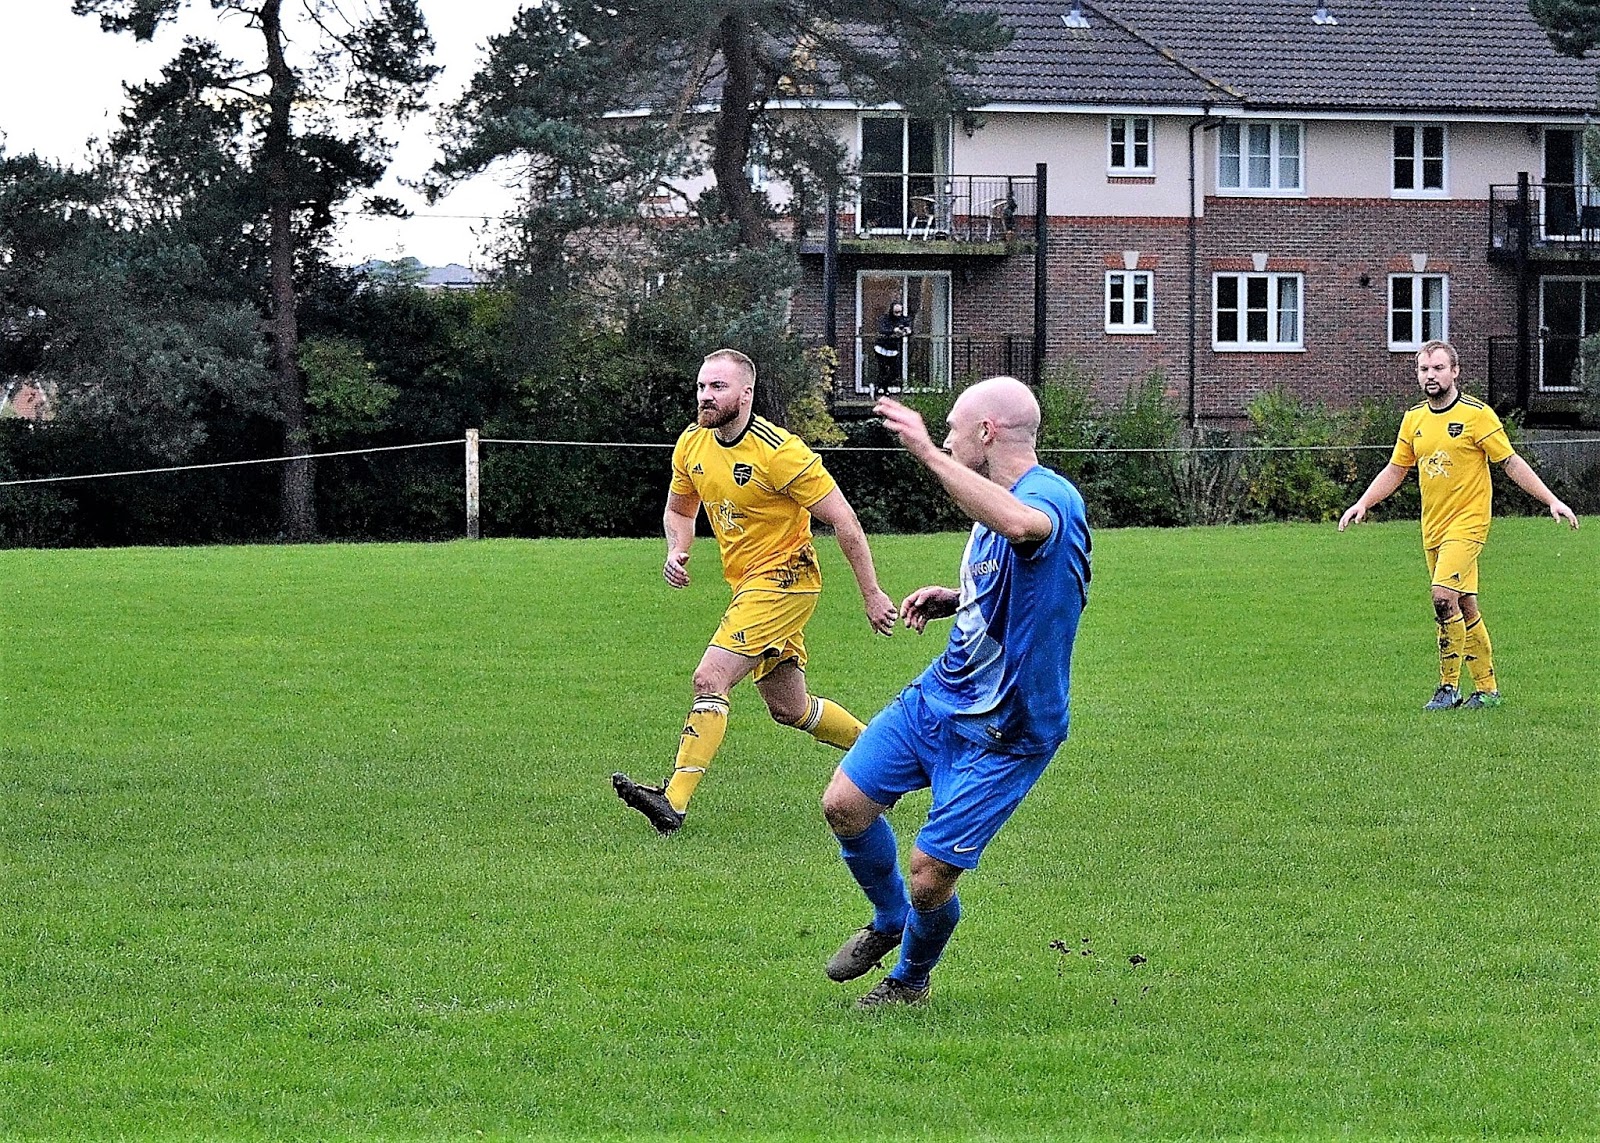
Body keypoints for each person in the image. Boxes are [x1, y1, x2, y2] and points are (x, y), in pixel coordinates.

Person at [819, 376, 1091, 1008]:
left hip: (1007, 728)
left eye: (952, 430)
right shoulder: (1000, 499)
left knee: (929, 878)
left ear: (986, 433)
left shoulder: (1047, 495)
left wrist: (928, 455)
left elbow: (1027, 529)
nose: (945, 438)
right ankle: (888, 921)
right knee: (844, 806)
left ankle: (909, 981)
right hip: (942, 696)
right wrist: (958, 598)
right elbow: (1020, 573)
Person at [611, 348, 899, 835]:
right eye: (702, 386)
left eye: (717, 387)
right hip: (749, 584)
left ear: (746, 393)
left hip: (786, 578)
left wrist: (871, 593)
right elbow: (680, 509)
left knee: (710, 678)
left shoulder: (780, 451)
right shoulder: (692, 443)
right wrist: (677, 549)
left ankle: (673, 802)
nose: (705, 396)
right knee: (790, 708)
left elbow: (844, 520)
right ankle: (891, 761)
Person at [1339, 339, 1578, 711]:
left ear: (1455, 371)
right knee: (1465, 604)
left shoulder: (1476, 415)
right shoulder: (1413, 419)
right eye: (1424, 369)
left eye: (1437, 368)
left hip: (1468, 526)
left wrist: (1551, 500)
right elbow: (1396, 469)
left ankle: (1448, 688)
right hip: (1432, 527)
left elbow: (1510, 462)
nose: (1430, 375)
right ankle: (1488, 690)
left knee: (1441, 596)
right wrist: (1363, 503)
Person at [873, 302, 913, 391]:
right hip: (881, 347)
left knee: (894, 371)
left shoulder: (903, 319)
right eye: (896, 312)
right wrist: (893, 330)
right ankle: (882, 388)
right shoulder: (885, 319)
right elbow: (882, 329)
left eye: (900, 312)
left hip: (893, 349)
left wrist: (908, 331)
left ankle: (881, 386)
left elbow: (908, 328)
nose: (898, 315)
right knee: (882, 370)